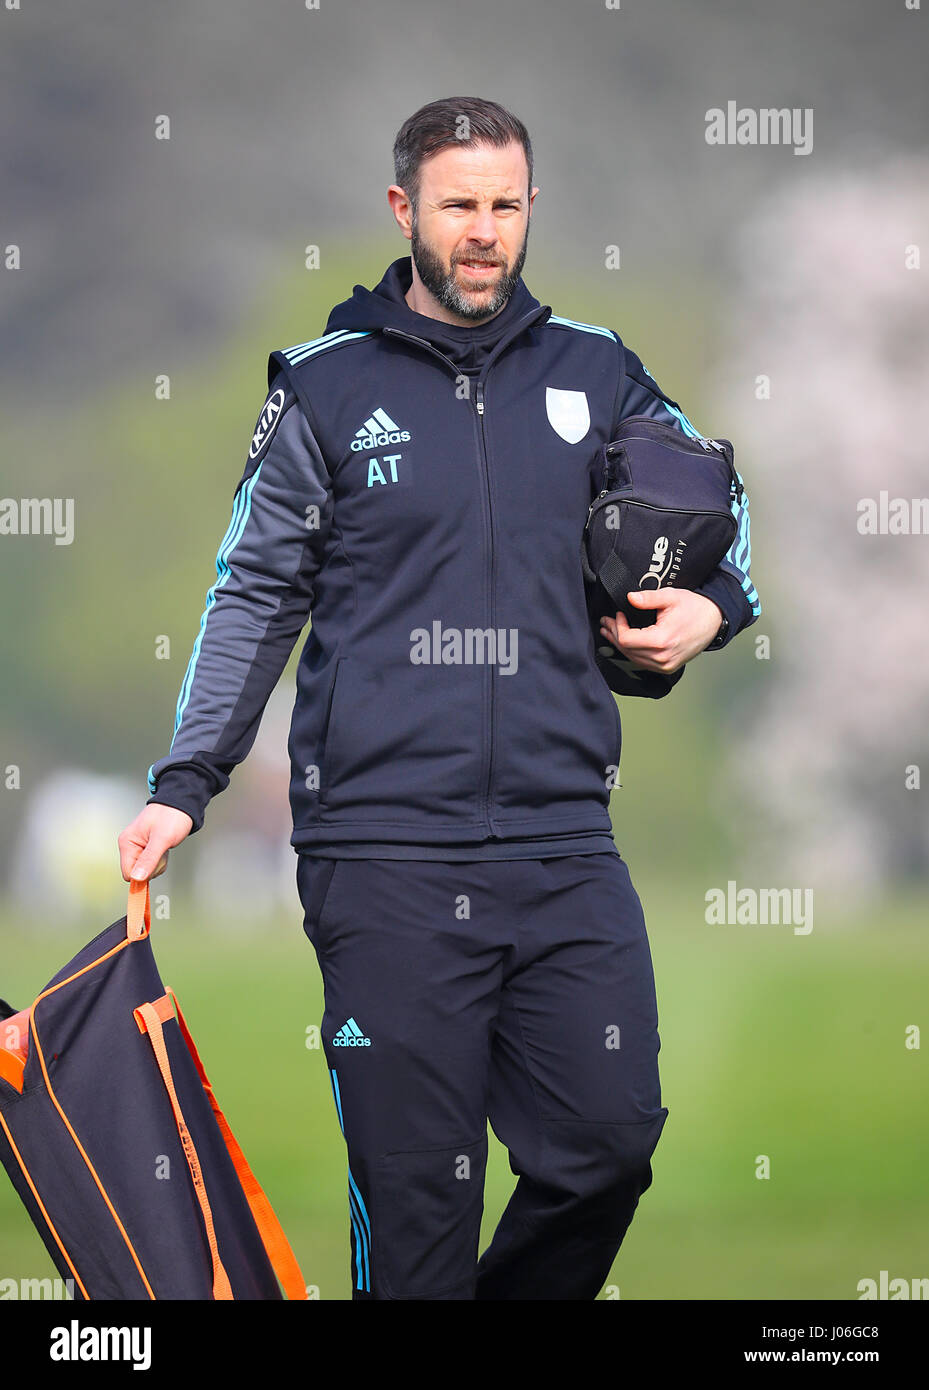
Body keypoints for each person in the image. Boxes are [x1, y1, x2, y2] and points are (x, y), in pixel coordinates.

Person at [118, 96, 760, 1300]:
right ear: (405, 209)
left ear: (529, 212)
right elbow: (253, 588)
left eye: (505, 206)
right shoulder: (319, 387)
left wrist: (717, 606)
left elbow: (715, 500)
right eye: (459, 205)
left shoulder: (598, 367)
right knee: (418, 1206)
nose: (483, 232)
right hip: (383, 857)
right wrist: (186, 784)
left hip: (565, 843)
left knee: (606, 1148)